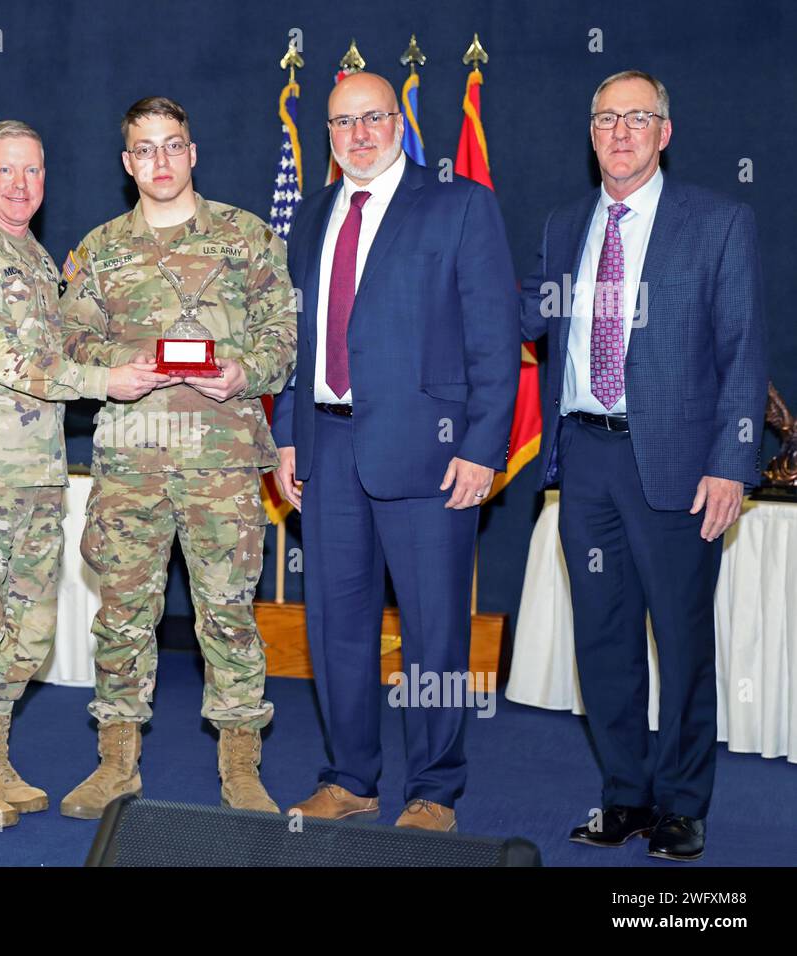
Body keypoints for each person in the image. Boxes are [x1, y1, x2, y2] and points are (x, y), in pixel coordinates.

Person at [520, 71, 767, 861]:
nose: (620, 132)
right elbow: (520, 313)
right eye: (605, 119)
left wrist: (733, 463)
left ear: (665, 132)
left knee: (684, 643)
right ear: (590, 136)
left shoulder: (718, 222)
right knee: (604, 639)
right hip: (584, 460)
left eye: (638, 118)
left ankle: (683, 804)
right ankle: (625, 796)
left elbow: (742, 352)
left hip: (678, 467)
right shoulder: (564, 226)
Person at [272, 72, 518, 832]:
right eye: (343, 123)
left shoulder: (460, 206)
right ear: (329, 134)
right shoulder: (311, 217)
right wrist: (284, 437)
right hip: (327, 447)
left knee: (434, 629)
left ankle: (434, 791)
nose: (359, 134)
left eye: (374, 118)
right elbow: (293, 342)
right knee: (334, 626)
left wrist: (482, 447)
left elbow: (495, 339)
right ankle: (350, 778)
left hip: (430, 456)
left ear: (400, 123)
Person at [0, 120, 167, 830]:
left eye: (33, 172)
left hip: (34, 478)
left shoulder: (31, 259)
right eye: (7, 170)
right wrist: (105, 379)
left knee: (25, 634)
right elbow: (2, 358)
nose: (21, 184)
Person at [59, 96, 297, 818]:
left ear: (192, 153)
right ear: (127, 162)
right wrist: (120, 368)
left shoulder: (247, 237)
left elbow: (282, 336)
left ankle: (241, 766)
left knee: (227, 613)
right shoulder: (99, 250)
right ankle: (116, 763)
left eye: (172, 146)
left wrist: (244, 372)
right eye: (144, 149)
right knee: (125, 613)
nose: (159, 161)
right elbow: (70, 344)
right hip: (132, 461)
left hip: (221, 461)